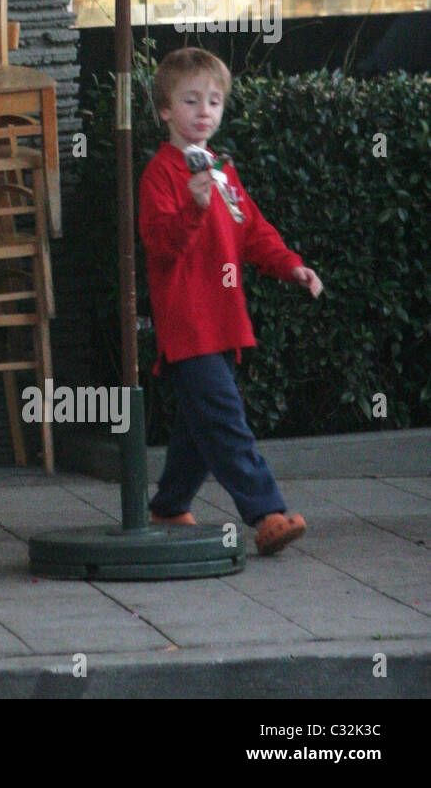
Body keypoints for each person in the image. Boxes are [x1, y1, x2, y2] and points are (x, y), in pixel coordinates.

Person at [138, 47, 323, 556]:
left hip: (221, 321)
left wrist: (290, 265)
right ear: (165, 111)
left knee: (201, 423)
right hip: (187, 324)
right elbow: (160, 242)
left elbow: (253, 232)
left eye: (214, 102)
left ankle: (171, 503)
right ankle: (267, 514)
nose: (204, 111)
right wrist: (195, 206)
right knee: (224, 418)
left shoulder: (223, 170)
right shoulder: (161, 173)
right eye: (191, 100)